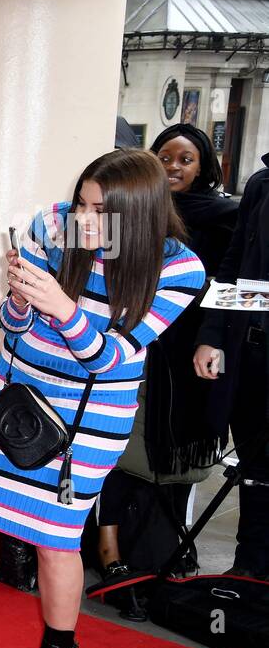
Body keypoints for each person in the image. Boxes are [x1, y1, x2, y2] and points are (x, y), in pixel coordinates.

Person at [0, 149, 205, 648]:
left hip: (85, 426)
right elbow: (10, 326)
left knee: (56, 543)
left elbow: (112, 360)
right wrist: (22, 302)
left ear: (139, 213)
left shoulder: (178, 270)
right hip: (14, 405)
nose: (84, 218)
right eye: (81, 202)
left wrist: (64, 306)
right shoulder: (51, 227)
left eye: (101, 210)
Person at [93, 124, 239, 588]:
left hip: (184, 360)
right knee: (117, 451)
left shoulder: (222, 219)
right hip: (128, 351)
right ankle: (107, 545)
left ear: (203, 168)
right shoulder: (131, 211)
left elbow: (228, 288)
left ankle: (166, 546)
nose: (173, 166)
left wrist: (211, 339)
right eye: (164, 156)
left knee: (175, 459)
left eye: (185, 159)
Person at [195, 152, 269, 580]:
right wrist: (211, 335)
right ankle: (247, 572)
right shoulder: (262, 184)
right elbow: (233, 266)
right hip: (251, 354)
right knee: (254, 471)